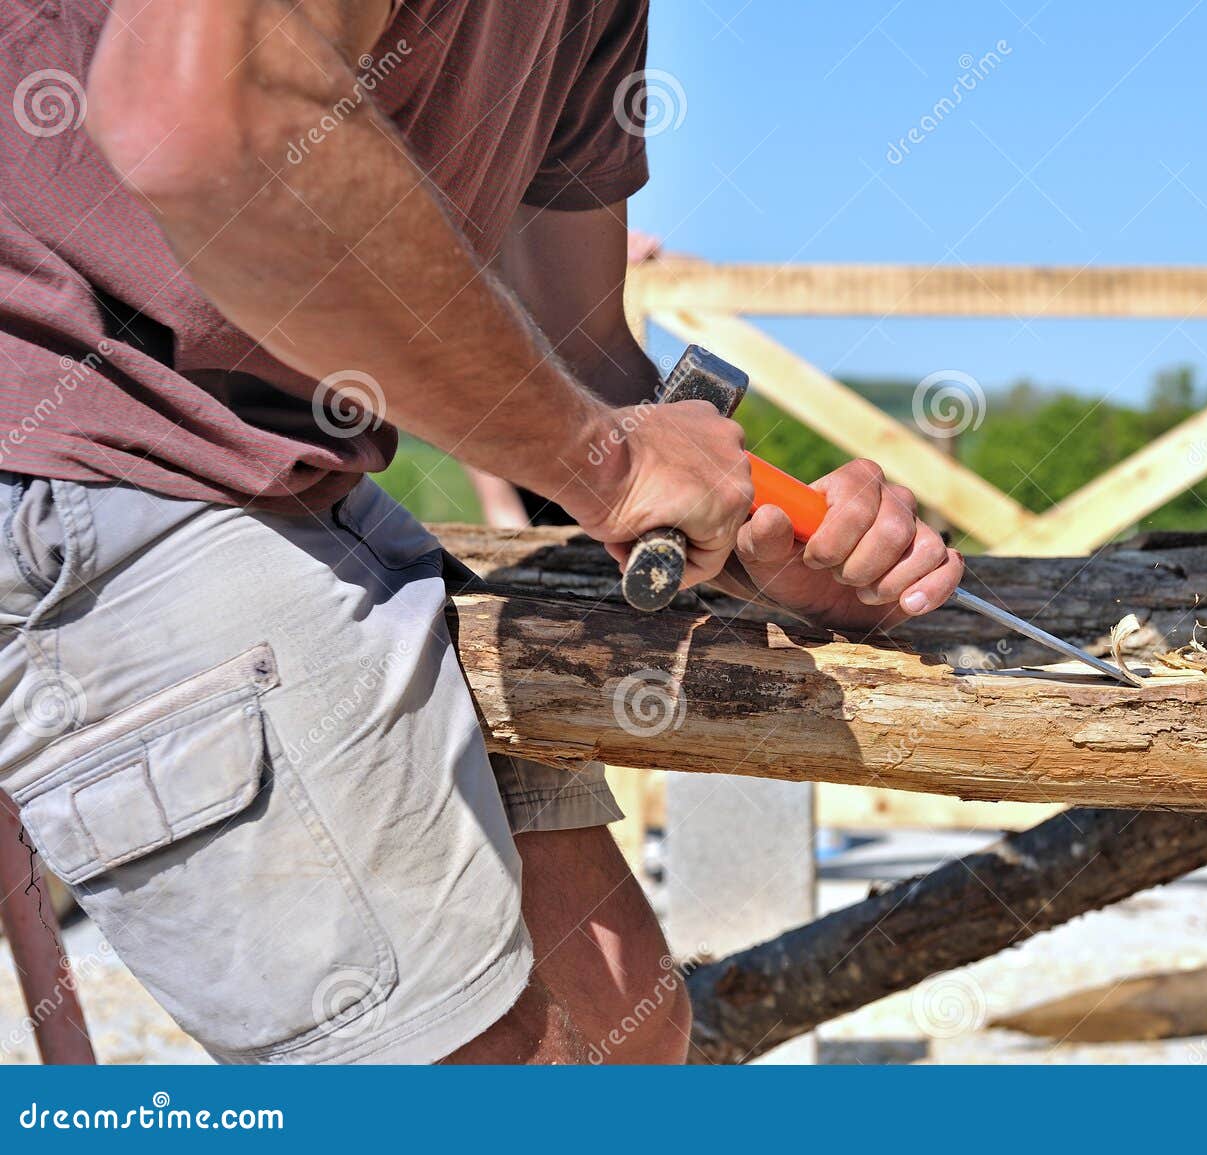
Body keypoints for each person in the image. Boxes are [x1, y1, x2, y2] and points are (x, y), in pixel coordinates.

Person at [0, 1, 963, 1064]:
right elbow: (208, 124)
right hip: (74, 458)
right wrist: (616, 463)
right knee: (493, 1071)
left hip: (295, 479)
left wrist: (764, 545)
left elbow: (583, 360)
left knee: (620, 1027)